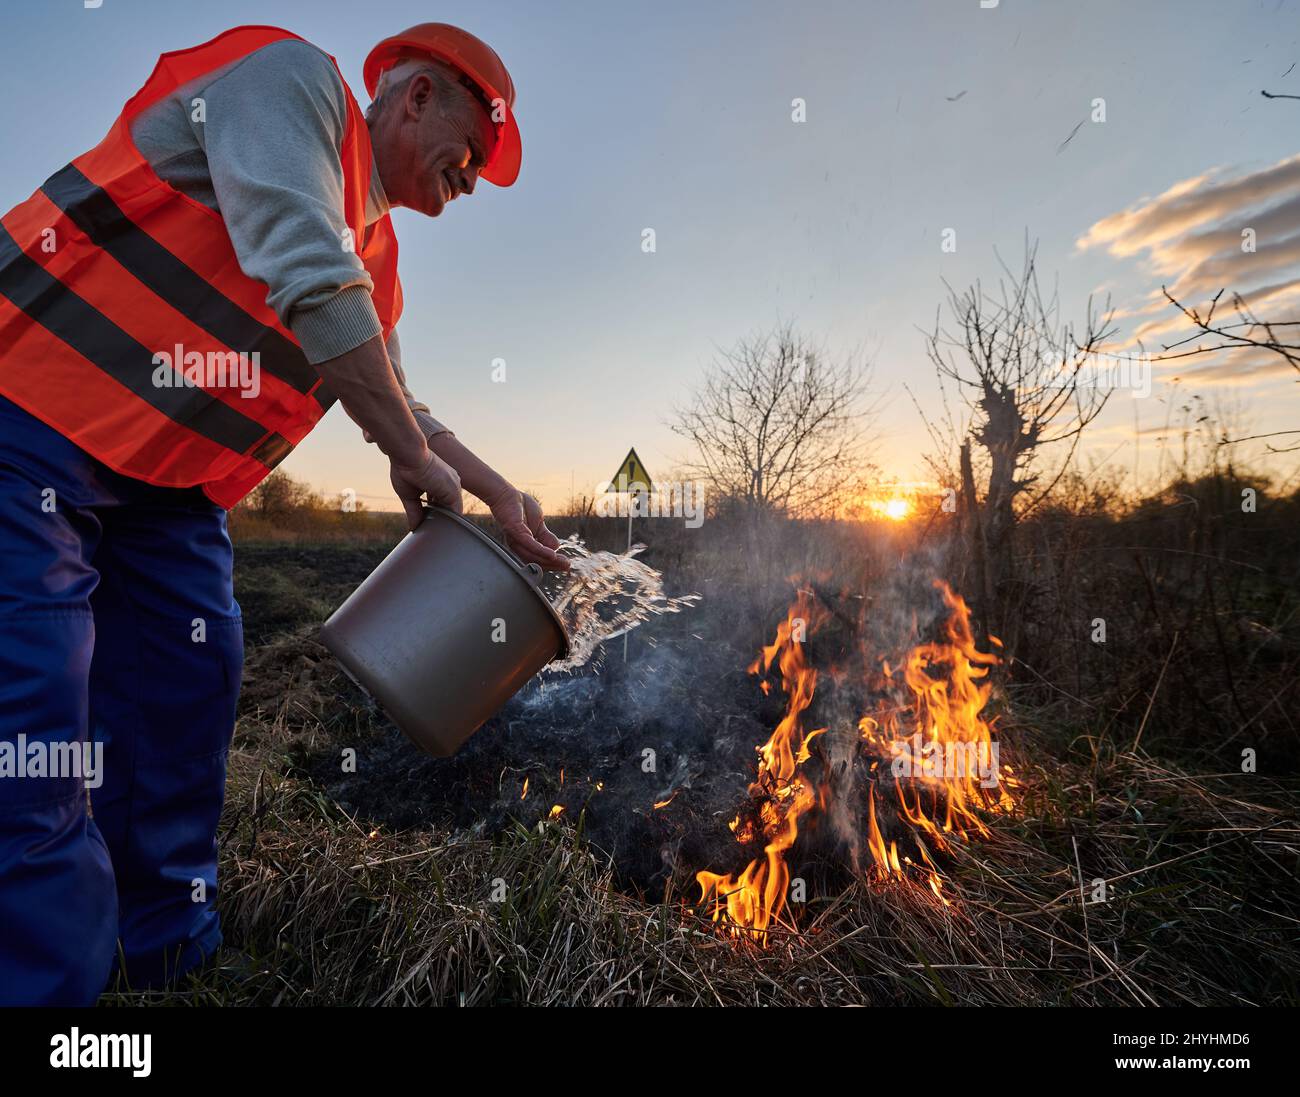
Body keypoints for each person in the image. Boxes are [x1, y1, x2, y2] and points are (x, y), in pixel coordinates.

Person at [0, 22, 565, 1005]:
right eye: (470, 151)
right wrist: (407, 451)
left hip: (163, 492)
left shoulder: (376, 261)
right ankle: (51, 995)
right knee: (35, 709)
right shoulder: (287, 84)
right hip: (30, 419)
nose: (468, 180)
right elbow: (309, 275)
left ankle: (164, 950)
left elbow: (392, 387)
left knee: (189, 687)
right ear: (416, 96)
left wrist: (490, 486)